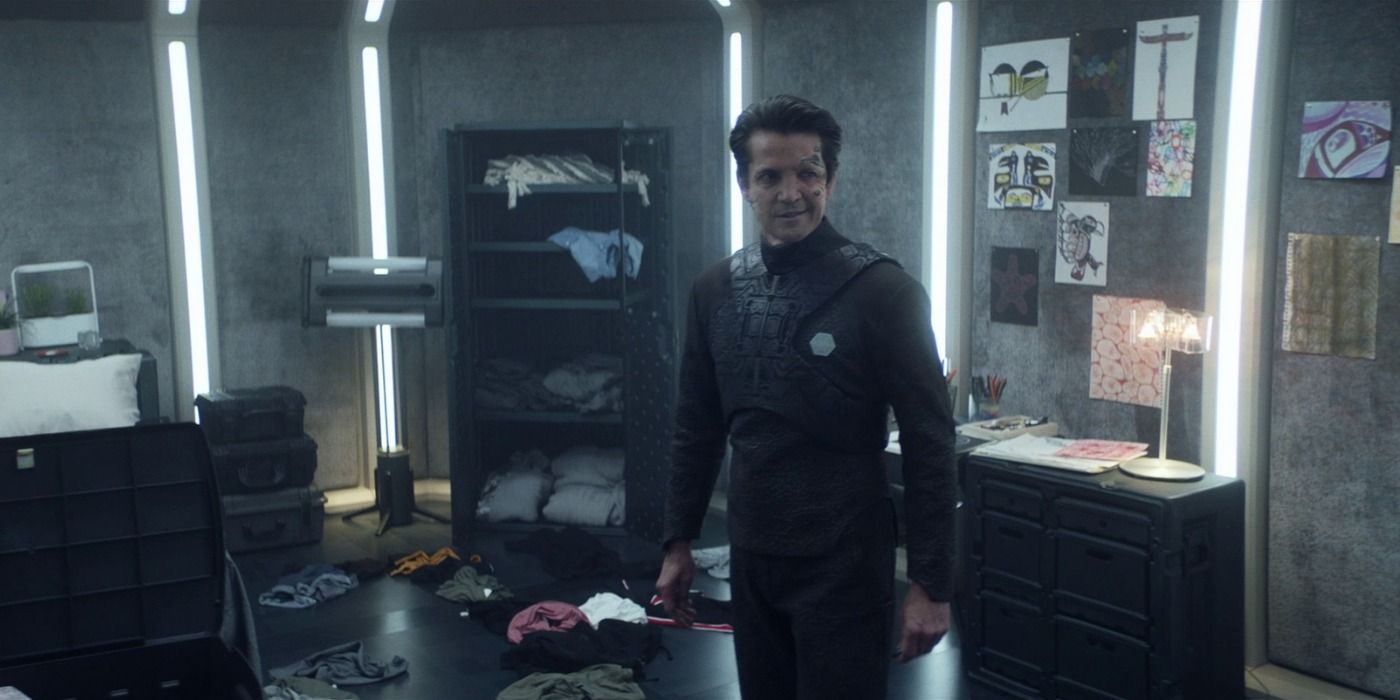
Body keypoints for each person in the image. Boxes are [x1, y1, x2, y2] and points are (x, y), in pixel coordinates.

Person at [656, 94, 958, 699]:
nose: (790, 193)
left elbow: (930, 441)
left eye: (807, 173)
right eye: (770, 176)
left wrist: (931, 584)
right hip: (752, 554)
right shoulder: (714, 290)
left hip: (846, 561)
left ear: (830, 179)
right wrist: (678, 540)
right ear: (745, 185)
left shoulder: (883, 292)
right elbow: (696, 425)